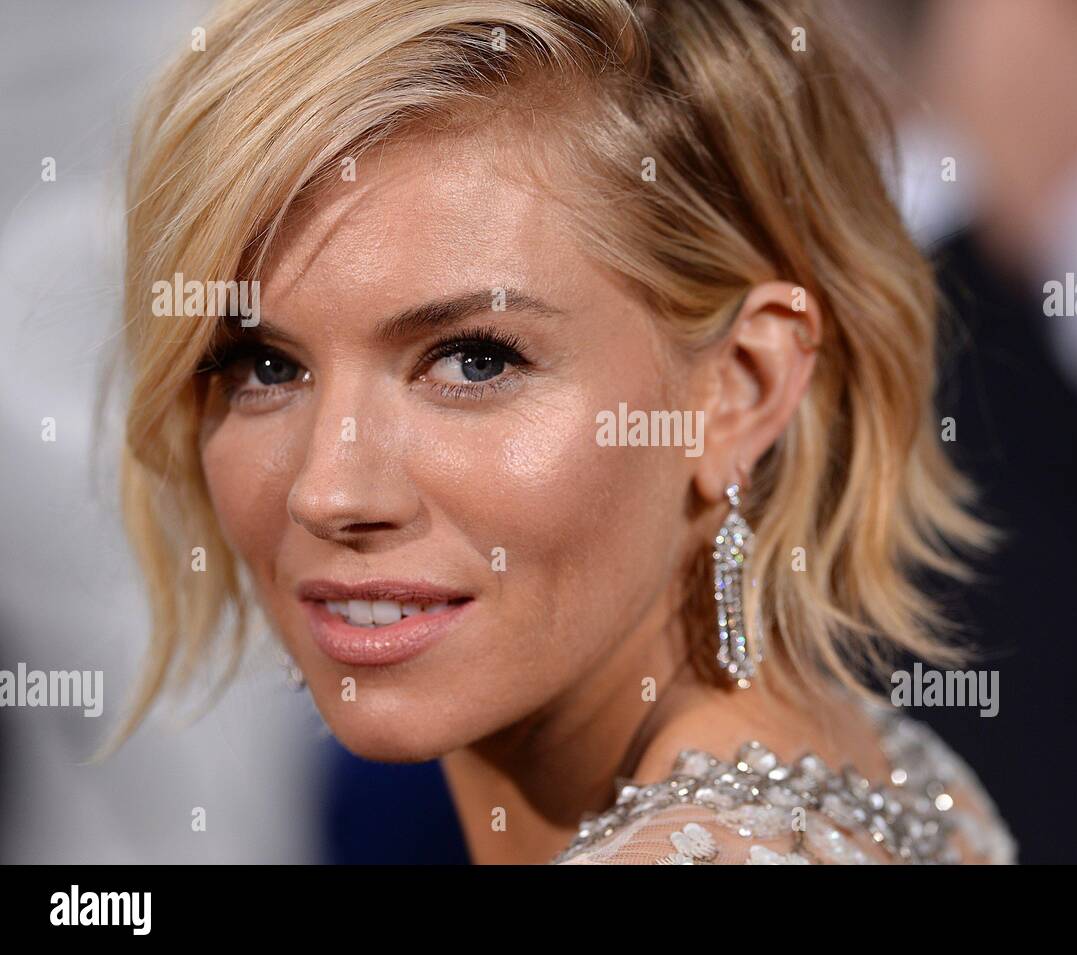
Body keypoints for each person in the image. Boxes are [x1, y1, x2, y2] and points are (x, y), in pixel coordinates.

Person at [109, 0, 1015, 865]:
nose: (329, 491)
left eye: (473, 360)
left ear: (744, 386)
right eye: (263, 364)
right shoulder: (874, 763)